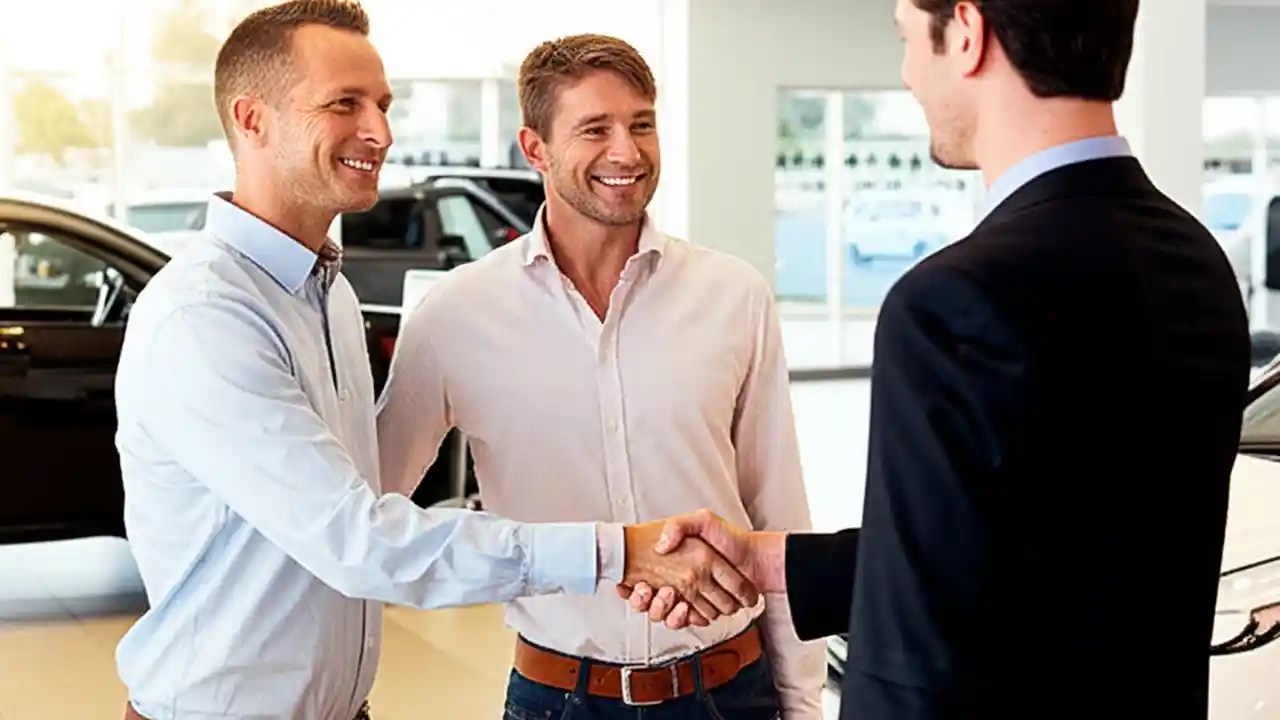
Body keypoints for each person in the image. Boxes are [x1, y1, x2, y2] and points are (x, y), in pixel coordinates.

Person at [111, 4, 754, 719]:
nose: (380, 133)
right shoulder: (207, 317)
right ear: (252, 119)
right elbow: (362, 540)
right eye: (343, 105)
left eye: (382, 105)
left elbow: (365, 501)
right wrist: (618, 550)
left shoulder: (327, 295)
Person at [626, 0, 1253, 718]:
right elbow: (1039, 548)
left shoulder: (953, 302)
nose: (907, 73)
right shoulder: (1196, 264)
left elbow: (911, 662)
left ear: (966, 32)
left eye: (905, 39)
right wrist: (767, 561)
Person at [375, 33, 825, 720]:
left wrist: (801, 702)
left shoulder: (733, 294)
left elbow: (779, 509)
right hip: (558, 700)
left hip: (731, 693)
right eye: (595, 129)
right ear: (535, 149)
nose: (627, 152)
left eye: (641, 124)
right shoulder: (456, 316)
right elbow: (372, 518)